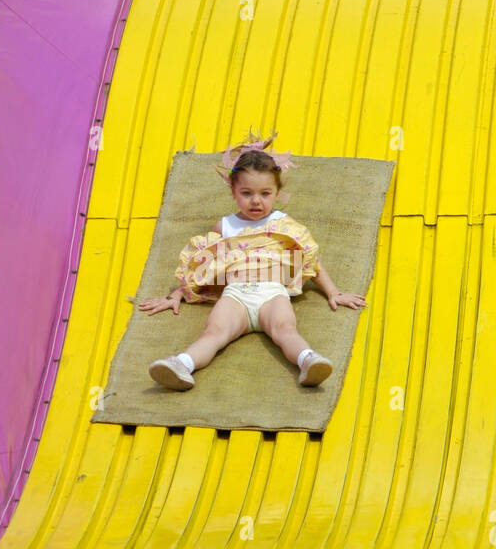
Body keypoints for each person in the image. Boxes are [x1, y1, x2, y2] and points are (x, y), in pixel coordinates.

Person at [141, 131, 368, 390]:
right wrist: (179, 293)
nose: (256, 200)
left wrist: (333, 292)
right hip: (235, 295)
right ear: (233, 191)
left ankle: (308, 361)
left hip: (272, 293)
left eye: (265, 193)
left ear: (277, 192)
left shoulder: (282, 224)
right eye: (247, 193)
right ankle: (181, 365)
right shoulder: (225, 226)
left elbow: (310, 260)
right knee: (214, 333)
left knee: (285, 330)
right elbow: (203, 262)